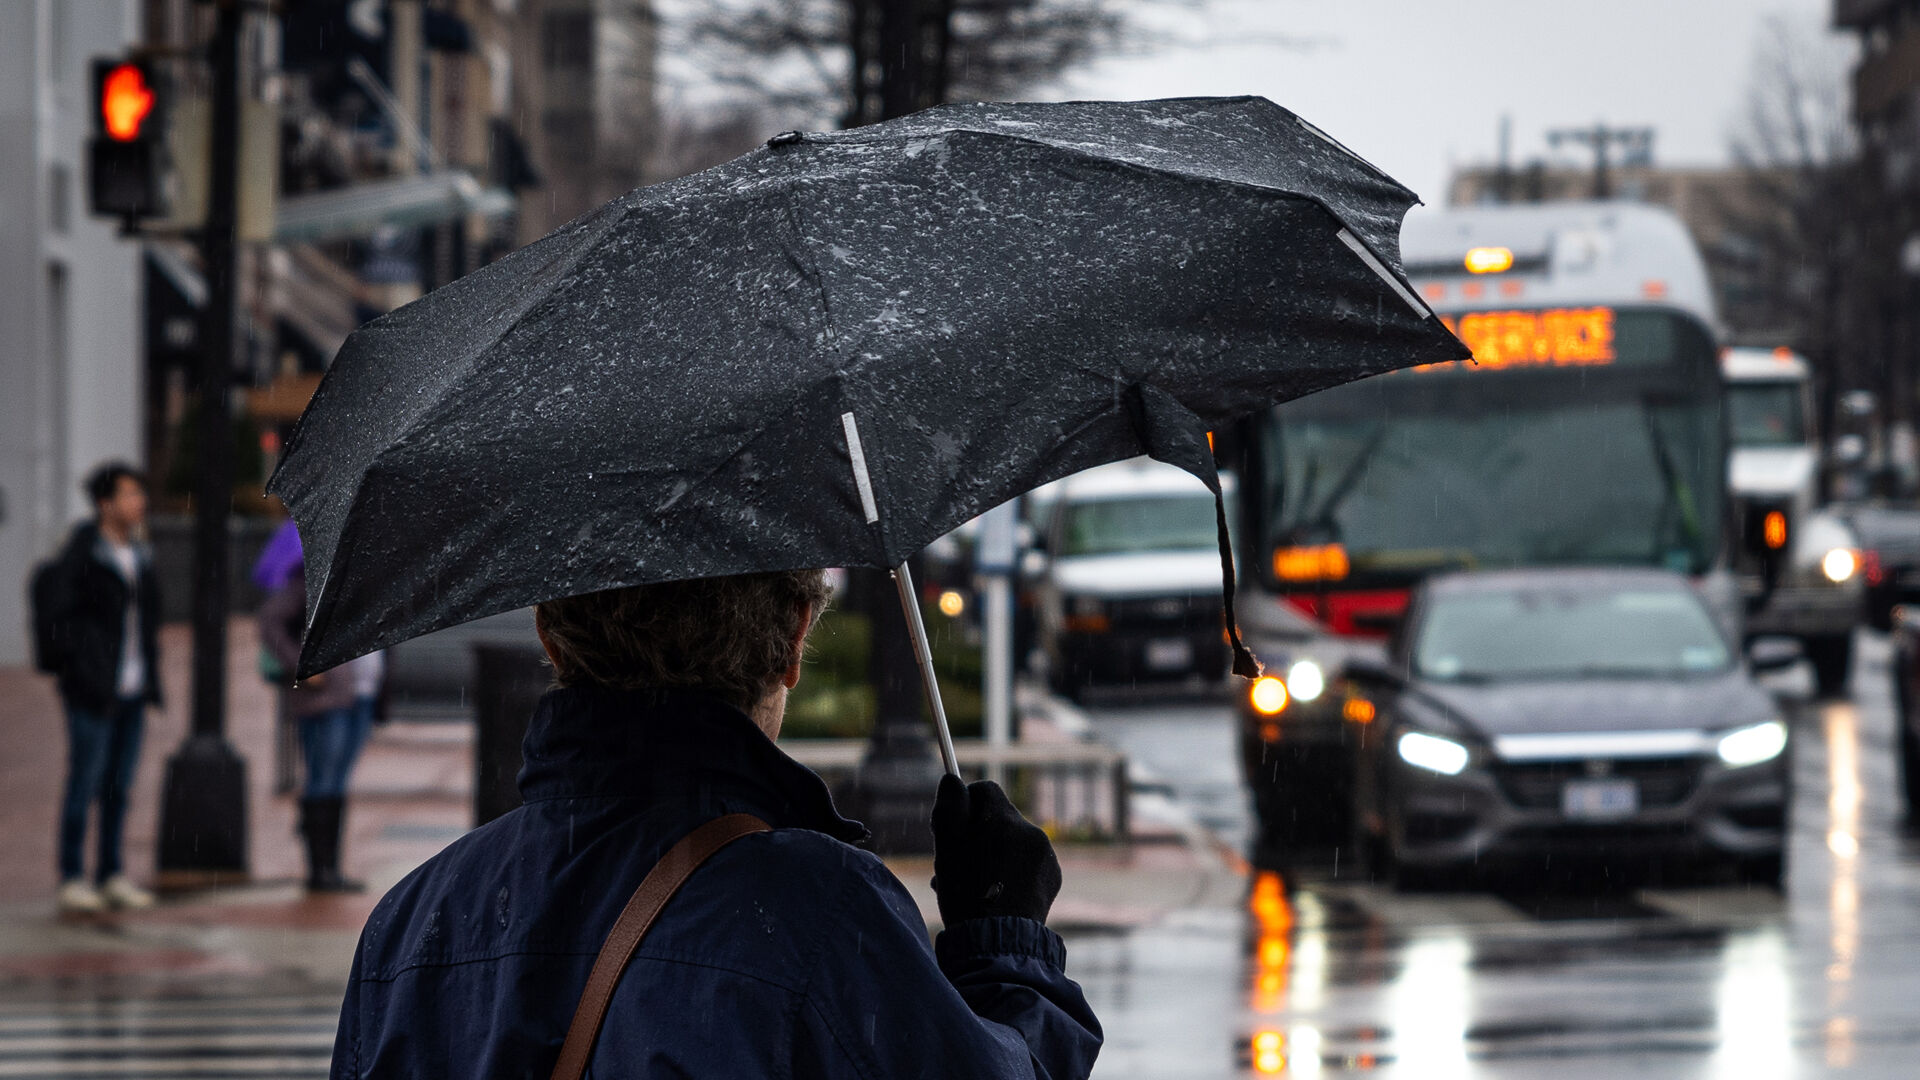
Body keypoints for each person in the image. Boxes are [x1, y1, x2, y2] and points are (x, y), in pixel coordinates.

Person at [330, 571, 1102, 1078]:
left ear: (549, 637)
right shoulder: (817, 910)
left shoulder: (409, 927)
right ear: (795, 636)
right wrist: (1005, 944)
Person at [41, 463, 160, 914]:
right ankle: (72, 875)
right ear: (104, 503)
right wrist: (82, 667)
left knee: (118, 788)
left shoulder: (140, 553)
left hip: (132, 688)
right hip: (92, 690)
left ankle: (111, 872)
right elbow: (59, 618)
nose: (139, 502)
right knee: (85, 782)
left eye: (140, 493)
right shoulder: (83, 553)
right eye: (129, 494)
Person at [258, 553, 384, 893]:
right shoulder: (313, 576)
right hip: (326, 698)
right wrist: (302, 664)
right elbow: (270, 622)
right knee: (323, 778)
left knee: (338, 780)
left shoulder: (373, 578)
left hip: (362, 694)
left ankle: (331, 867)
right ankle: (320, 871)